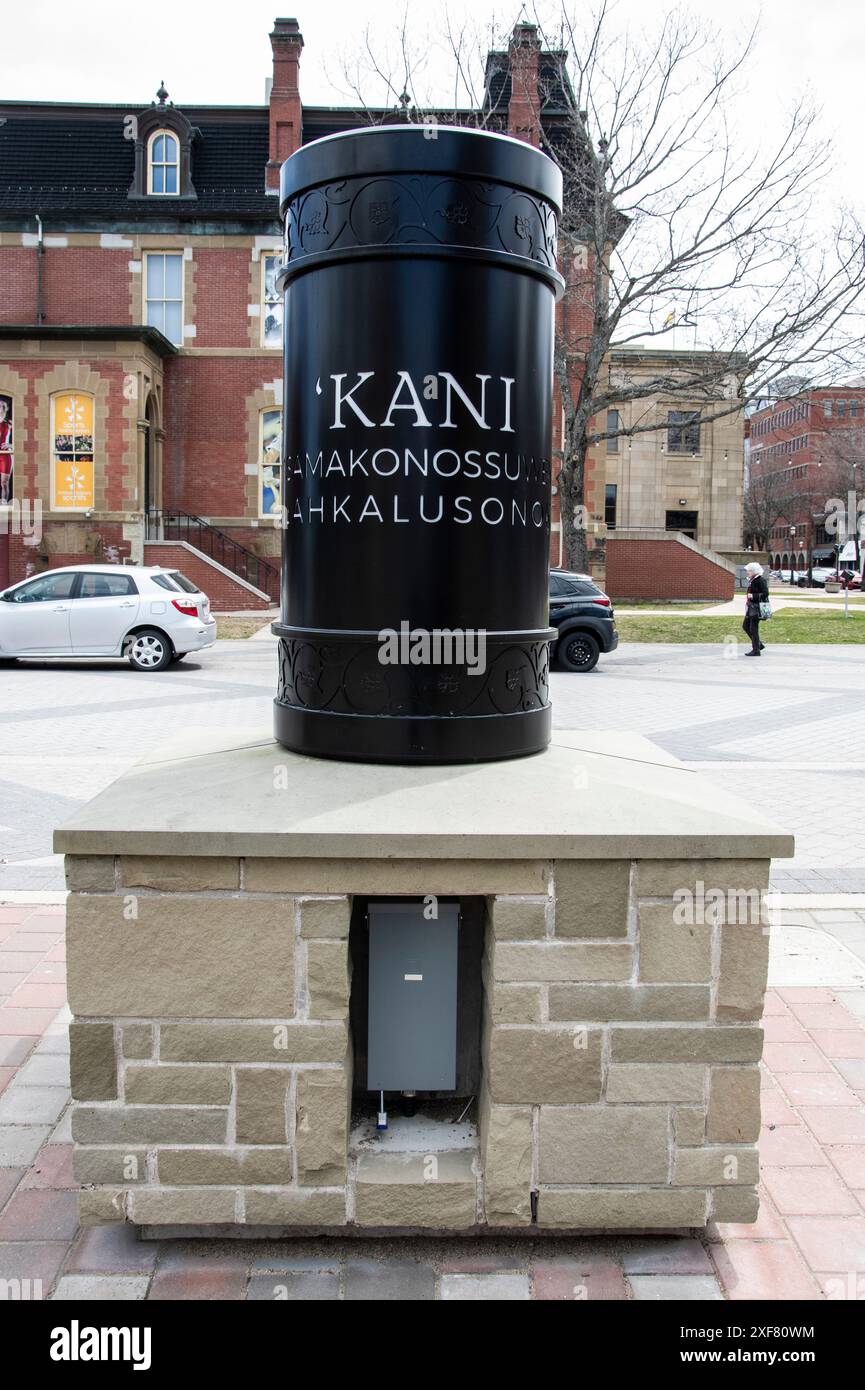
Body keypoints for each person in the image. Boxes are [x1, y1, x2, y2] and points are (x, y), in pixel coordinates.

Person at [743, 561, 768, 656]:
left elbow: (765, 593)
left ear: (754, 571)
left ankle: (756, 650)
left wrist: (753, 596)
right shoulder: (753, 579)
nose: (747, 572)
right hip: (751, 607)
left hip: (756, 608)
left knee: (753, 628)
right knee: (745, 626)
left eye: (749, 571)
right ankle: (758, 645)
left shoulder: (760, 580)